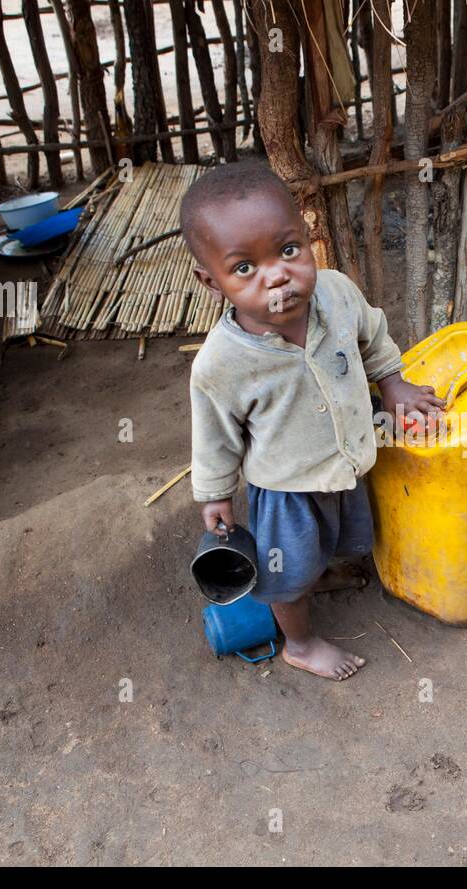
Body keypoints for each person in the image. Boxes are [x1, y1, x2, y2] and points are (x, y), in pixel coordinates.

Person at [182, 161, 443, 680]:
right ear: (210, 282)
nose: (277, 274)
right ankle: (298, 642)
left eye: (287, 250)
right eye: (244, 268)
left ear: (306, 234)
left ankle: (318, 573)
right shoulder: (221, 364)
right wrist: (214, 495)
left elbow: (372, 334)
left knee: (342, 535)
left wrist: (391, 382)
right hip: (286, 491)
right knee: (286, 573)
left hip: (346, 463)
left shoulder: (337, 294)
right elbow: (213, 437)